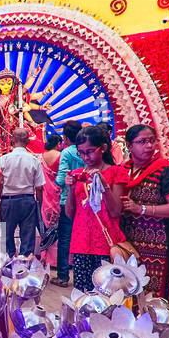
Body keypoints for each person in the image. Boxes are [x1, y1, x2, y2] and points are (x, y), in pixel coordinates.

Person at [118, 124, 169, 298]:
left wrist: (141, 209)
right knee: (124, 292)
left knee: (151, 296)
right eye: (142, 142)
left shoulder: (165, 170)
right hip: (127, 242)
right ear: (129, 145)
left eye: (151, 141)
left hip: (157, 245)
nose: (149, 146)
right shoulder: (123, 170)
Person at [63, 125, 125, 291]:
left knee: (108, 296)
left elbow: (115, 211)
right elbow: (70, 214)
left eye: (90, 151)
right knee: (83, 297)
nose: (85, 157)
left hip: (107, 245)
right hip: (81, 244)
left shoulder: (116, 172)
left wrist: (103, 184)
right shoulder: (77, 174)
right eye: (81, 152)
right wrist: (70, 188)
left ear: (103, 148)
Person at [0, 126, 46, 257]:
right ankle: (24, 267)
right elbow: (39, 187)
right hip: (28, 201)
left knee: (6, 236)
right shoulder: (34, 160)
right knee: (28, 236)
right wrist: (39, 206)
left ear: (12, 140)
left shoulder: (3, 160)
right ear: (28, 141)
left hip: (7, 201)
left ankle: (8, 263)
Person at [53, 120, 84, 285]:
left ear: (65, 137)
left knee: (65, 238)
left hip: (68, 200)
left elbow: (60, 179)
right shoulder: (85, 150)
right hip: (86, 200)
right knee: (83, 237)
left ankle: (63, 276)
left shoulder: (66, 153)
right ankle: (82, 274)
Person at [39, 133, 63, 267]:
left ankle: (46, 258)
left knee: (47, 226)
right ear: (59, 144)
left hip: (46, 196)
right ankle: (58, 260)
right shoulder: (61, 156)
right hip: (58, 195)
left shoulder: (41, 157)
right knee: (61, 227)